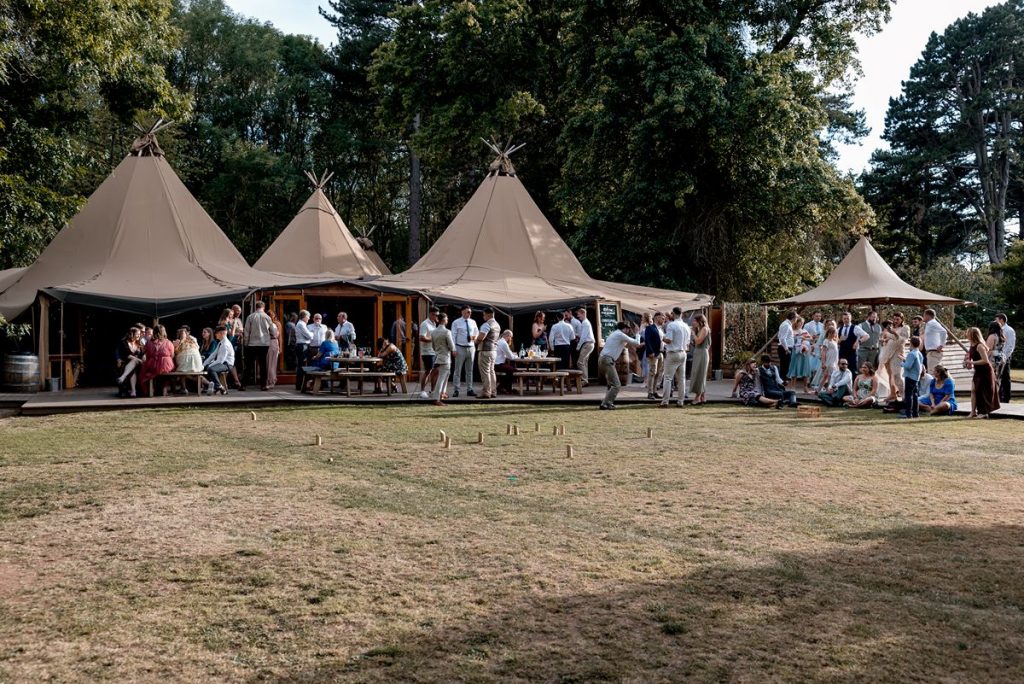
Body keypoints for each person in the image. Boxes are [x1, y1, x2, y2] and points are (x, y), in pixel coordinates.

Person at [599, 321, 641, 410]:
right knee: (616, 385)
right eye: (628, 329)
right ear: (625, 329)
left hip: (604, 359)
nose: (629, 331)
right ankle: (606, 403)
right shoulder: (620, 334)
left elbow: (628, 344)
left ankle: (607, 403)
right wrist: (637, 333)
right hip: (607, 360)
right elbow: (636, 343)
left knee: (611, 385)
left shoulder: (616, 334)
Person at [966, 326, 1000, 418]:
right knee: (973, 390)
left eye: (968, 333)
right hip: (978, 370)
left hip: (985, 371)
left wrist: (971, 362)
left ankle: (984, 412)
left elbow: (985, 360)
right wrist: (969, 363)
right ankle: (973, 411)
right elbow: (972, 357)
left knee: (982, 391)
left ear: (973, 335)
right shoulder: (972, 345)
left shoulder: (980, 346)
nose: (967, 335)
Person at [660, 307, 691, 408]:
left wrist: (662, 337)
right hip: (683, 353)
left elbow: (669, 340)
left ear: (673, 314)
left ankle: (665, 401)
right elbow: (688, 343)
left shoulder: (671, 325)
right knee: (681, 379)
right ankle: (680, 401)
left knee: (668, 378)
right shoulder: (686, 326)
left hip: (673, 353)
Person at [879, 312, 910, 403]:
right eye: (894, 319)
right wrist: (883, 341)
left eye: (898, 319)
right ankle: (893, 394)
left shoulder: (905, 328)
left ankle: (904, 396)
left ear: (902, 319)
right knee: (890, 376)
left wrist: (890, 334)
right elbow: (887, 341)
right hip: (887, 355)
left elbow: (901, 340)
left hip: (897, 355)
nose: (896, 321)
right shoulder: (891, 329)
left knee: (897, 376)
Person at [243, 300, 273, 391]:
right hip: (264, 344)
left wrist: (246, 343)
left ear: (256, 307)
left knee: (249, 365)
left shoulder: (250, 317)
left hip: (252, 344)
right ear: (263, 307)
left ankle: (243, 385)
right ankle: (263, 385)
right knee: (263, 365)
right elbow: (273, 331)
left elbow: (247, 331)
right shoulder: (267, 317)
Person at [139, 324, 175, 396]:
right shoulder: (169, 342)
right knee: (171, 367)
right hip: (166, 365)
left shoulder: (148, 343)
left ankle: (149, 390)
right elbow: (172, 355)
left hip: (153, 365)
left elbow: (145, 353)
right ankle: (164, 388)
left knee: (143, 370)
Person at [451, 305, 478, 397]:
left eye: (470, 312)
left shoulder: (473, 322)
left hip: (471, 347)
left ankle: (469, 389)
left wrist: (473, 338)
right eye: (467, 312)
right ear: (462, 312)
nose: (469, 313)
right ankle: (456, 390)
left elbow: (477, 334)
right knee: (457, 370)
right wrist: (453, 349)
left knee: (469, 370)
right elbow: (453, 336)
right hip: (460, 347)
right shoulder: (456, 322)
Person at [430, 313, 455, 406]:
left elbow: (433, 346)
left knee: (444, 376)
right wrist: (453, 351)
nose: (448, 320)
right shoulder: (447, 332)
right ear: (444, 320)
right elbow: (451, 346)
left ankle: (442, 394)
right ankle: (437, 398)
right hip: (445, 357)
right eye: (447, 319)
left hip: (437, 356)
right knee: (441, 378)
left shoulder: (433, 332)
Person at [476, 307, 501, 399]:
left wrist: (475, 341)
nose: (483, 317)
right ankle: (493, 391)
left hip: (485, 351)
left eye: (484, 315)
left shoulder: (486, 324)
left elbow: (481, 338)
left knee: (485, 372)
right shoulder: (497, 325)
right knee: (491, 371)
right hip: (493, 351)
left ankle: (486, 392)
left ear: (488, 314)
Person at [203, 325, 235, 395]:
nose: (215, 335)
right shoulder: (221, 342)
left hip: (227, 364)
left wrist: (209, 366)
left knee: (211, 369)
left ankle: (219, 387)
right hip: (222, 363)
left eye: (216, 333)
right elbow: (213, 355)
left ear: (221, 333)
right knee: (207, 367)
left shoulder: (225, 344)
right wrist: (204, 365)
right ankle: (216, 387)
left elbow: (221, 360)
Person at [115, 326, 145, 398]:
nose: (139, 335)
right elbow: (127, 355)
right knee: (133, 367)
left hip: (139, 364)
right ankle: (133, 391)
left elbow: (143, 353)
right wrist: (139, 360)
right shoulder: (124, 343)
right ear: (132, 334)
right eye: (137, 334)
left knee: (135, 362)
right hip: (127, 363)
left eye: (139, 334)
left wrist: (143, 357)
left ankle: (123, 377)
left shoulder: (139, 343)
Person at [218, 308, 243, 390]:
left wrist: (238, 333)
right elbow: (231, 334)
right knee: (230, 363)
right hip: (228, 344)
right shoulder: (224, 322)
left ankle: (232, 382)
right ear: (227, 315)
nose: (232, 316)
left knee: (230, 363)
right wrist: (235, 324)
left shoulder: (226, 322)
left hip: (229, 343)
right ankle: (235, 381)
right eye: (231, 315)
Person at [418, 306, 439, 399]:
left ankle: (433, 391)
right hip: (427, 352)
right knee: (428, 371)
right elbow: (422, 337)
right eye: (435, 315)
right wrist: (433, 339)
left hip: (435, 351)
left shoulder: (434, 324)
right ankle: (422, 391)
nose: (436, 317)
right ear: (430, 314)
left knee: (436, 371)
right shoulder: (425, 324)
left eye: (437, 315)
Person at [690, 313, 711, 405]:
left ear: (700, 321)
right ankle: (702, 397)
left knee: (700, 374)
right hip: (699, 352)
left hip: (702, 353)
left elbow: (699, 341)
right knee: (699, 374)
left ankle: (697, 398)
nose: (693, 322)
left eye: (695, 320)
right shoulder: (701, 329)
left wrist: (693, 334)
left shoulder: (705, 329)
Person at [787, 316, 812, 393]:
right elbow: (790, 341)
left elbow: (810, 338)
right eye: (799, 322)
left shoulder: (804, 331)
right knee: (795, 368)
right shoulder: (792, 331)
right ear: (796, 323)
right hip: (796, 351)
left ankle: (805, 387)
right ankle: (793, 387)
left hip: (804, 352)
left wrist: (805, 339)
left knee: (805, 368)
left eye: (802, 323)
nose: (801, 324)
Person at [643, 312, 665, 399]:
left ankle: (655, 391)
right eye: (662, 318)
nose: (663, 320)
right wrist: (650, 352)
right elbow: (647, 341)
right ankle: (650, 392)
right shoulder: (649, 328)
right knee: (652, 373)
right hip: (654, 354)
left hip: (661, 353)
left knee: (658, 373)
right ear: (657, 318)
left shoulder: (661, 329)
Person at [902, 336, 924, 419]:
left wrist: (902, 363)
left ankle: (908, 414)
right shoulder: (919, 353)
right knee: (915, 395)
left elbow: (908, 366)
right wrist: (905, 359)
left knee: (909, 395)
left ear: (911, 343)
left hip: (910, 376)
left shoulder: (911, 353)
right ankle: (916, 413)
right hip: (916, 377)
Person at [996, 313, 1015, 403]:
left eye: (997, 320)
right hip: (997, 356)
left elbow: (1010, 346)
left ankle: (1006, 397)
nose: (996, 321)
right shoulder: (998, 330)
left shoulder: (1009, 330)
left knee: (1005, 377)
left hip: (1005, 357)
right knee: (998, 376)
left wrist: (1004, 358)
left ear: (1001, 320)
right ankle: (999, 396)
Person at [575, 307, 595, 385]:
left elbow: (583, 337)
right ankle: (585, 380)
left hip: (587, 344)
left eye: (578, 314)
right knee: (584, 362)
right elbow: (582, 335)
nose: (578, 316)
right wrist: (576, 335)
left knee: (580, 362)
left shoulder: (585, 323)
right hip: (589, 344)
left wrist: (578, 347)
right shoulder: (586, 322)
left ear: (583, 313)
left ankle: (584, 380)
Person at [293, 310, 312, 391]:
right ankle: (300, 385)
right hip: (302, 346)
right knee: (302, 366)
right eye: (308, 316)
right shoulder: (301, 324)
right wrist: (312, 333)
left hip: (302, 345)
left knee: (301, 365)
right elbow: (309, 336)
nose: (309, 318)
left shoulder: (301, 324)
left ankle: (300, 385)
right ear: (304, 316)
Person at [495, 329, 517, 394]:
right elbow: (511, 357)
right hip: (498, 364)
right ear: (508, 336)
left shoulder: (499, 341)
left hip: (496, 363)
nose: (511, 339)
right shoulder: (504, 343)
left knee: (511, 369)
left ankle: (506, 388)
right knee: (513, 370)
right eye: (511, 337)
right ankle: (502, 388)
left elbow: (507, 354)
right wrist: (517, 356)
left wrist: (512, 355)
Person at [777, 310, 796, 380]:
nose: (796, 320)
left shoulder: (787, 324)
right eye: (796, 318)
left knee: (785, 366)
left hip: (785, 348)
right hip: (785, 348)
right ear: (793, 317)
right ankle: (782, 382)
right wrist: (786, 349)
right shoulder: (786, 325)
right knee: (784, 367)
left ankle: (783, 381)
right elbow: (782, 339)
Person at [266, 310, 280, 389]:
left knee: (270, 363)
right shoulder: (272, 324)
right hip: (273, 343)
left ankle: (271, 381)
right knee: (272, 363)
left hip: (271, 343)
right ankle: (271, 380)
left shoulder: (271, 324)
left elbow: (276, 335)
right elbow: (276, 335)